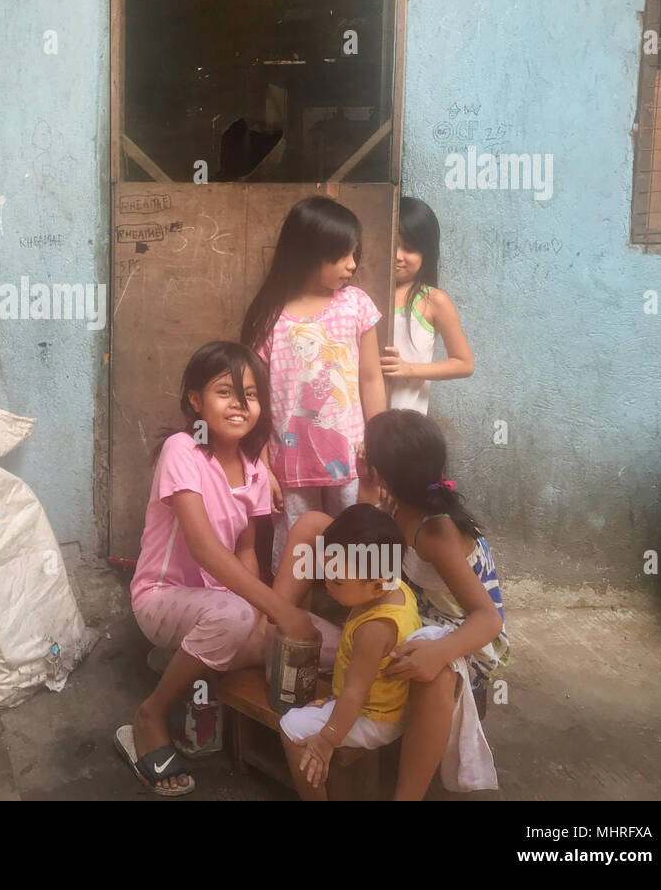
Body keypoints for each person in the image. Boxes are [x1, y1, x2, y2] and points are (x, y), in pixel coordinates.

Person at [274, 409, 507, 799]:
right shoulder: (398, 506)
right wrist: (367, 482)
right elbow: (359, 529)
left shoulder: (436, 530)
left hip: (463, 636)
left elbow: (488, 620)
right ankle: (275, 628)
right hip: (408, 610)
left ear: (385, 473)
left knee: (434, 674)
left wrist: (438, 653)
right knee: (317, 525)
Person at [116, 341, 314, 797]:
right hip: (163, 598)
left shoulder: (255, 470)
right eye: (226, 392)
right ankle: (151, 713)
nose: (241, 405)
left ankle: (188, 657)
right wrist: (277, 612)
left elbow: (247, 552)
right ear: (194, 399)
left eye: (251, 394)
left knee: (317, 642)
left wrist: (273, 621)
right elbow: (205, 550)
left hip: (222, 604)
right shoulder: (183, 449)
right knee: (245, 619)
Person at [241, 196, 387, 574]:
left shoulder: (355, 305)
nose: (352, 265)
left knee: (358, 545)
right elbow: (253, 395)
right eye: (340, 256)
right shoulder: (270, 315)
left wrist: (381, 442)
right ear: (306, 253)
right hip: (289, 460)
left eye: (354, 254)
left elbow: (371, 377)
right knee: (297, 555)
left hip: (351, 454)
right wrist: (262, 465)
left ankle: (355, 619)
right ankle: (295, 622)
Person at [278, 504, 421, 801]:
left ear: (377, 586)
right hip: (391, 701)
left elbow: (355, 694)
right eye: (326, 571)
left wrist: (326, 740)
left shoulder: (374, 630)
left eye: (337, 581)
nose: (327, 585)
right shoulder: (396, 588)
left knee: (291, 727)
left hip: (375, 717)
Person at [382, 198, 475, 413]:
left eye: (410, 248)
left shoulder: (433, 300)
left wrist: (409, 369)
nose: (398, 256)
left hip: (405, 424)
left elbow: (464, 364)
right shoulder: (361, 295)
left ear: (427, 252)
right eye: (392, 244)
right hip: (357, 424)